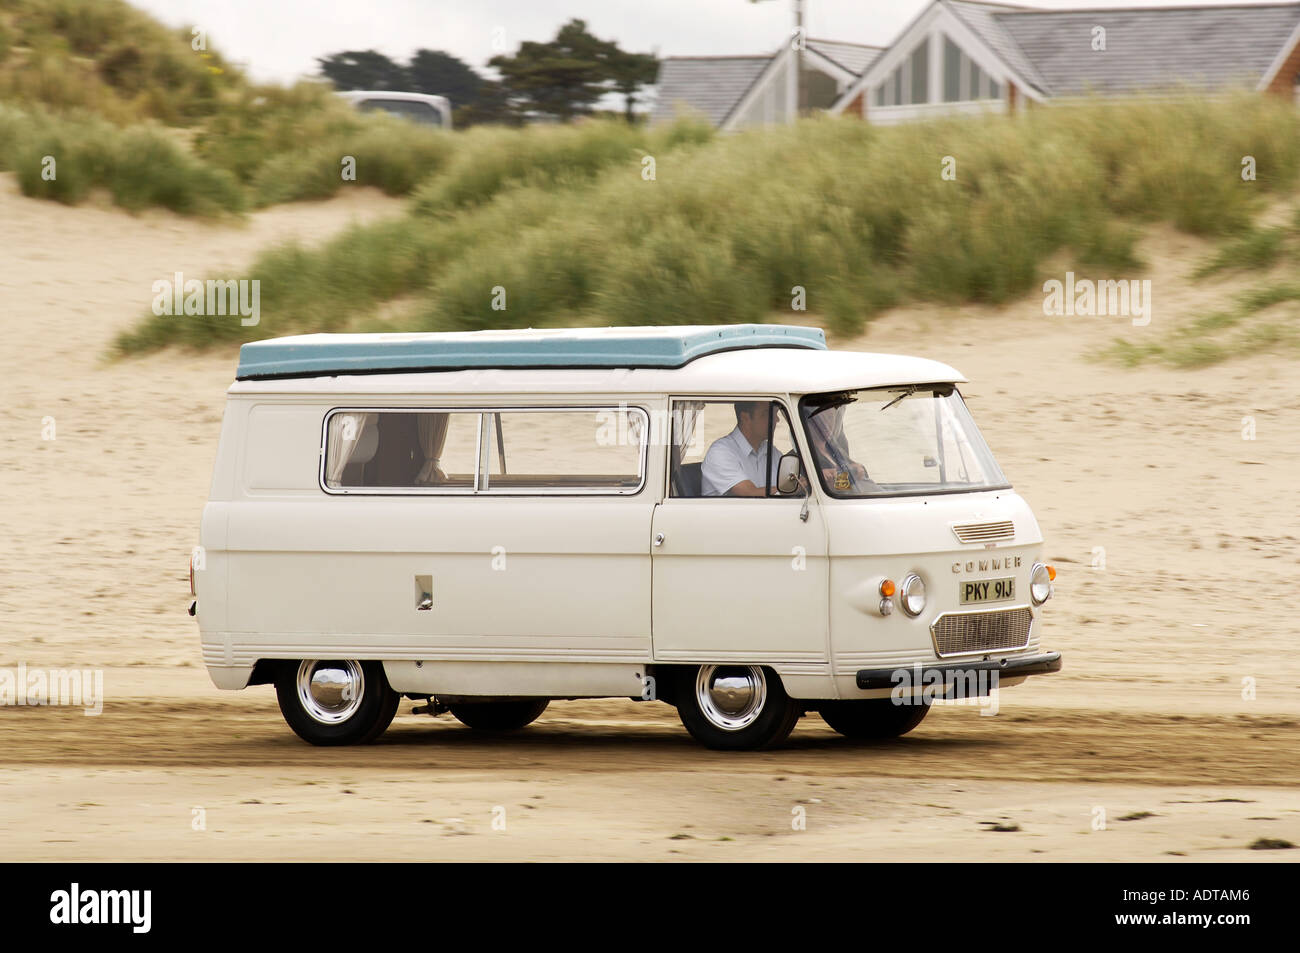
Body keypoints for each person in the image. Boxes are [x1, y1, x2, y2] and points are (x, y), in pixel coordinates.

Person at [700, 402, 782, 497]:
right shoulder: (720, 452)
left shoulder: (771, 451)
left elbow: (796, 480)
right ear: (745, 418)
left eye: (776, 413)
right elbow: (750, 494)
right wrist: (789, 489)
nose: (776, 419)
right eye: (767, 413)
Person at [805, 406, 875, 493]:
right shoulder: (803, 454)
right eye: (820, 419)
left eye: (830, 417)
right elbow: (797, 486)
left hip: (868, 493)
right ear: (809, 422)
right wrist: (816, 478)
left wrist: (859, 468)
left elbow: (856, 473)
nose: (826, 424)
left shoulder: (833, 448)